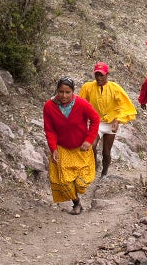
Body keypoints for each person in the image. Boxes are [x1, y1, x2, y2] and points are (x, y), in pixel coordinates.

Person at [42, 76, 100, 215]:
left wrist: (89, 140)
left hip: (81, 147)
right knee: (65, 181)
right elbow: (49, 130)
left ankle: (78, 196)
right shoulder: (49, 106)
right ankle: (76, 203)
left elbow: (95, 119)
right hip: (62, 148)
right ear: (57, 90)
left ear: (73, 91)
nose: (64, 95)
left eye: (68, 92)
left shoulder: (81, 104)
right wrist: (53, 149)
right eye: (61, 91)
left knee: (81, 182)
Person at [77, 63, 138, 178]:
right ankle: (94, 164)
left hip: (111, 123)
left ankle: (104, 172)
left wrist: (118, 120)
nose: (99, 78)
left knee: (106, 152)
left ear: (107, 75)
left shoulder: (115, 88)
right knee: (91, 146)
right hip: (96, 122)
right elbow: (80, 103)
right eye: (97, 75)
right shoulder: (88, 87)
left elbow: (126, 106)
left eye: (102, 75)